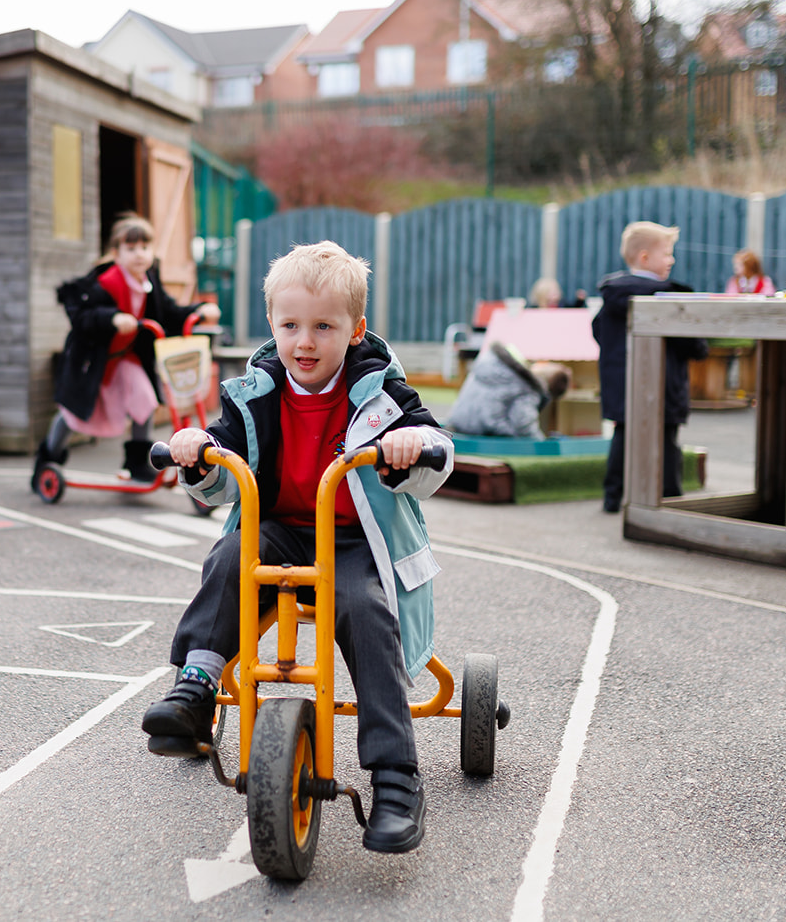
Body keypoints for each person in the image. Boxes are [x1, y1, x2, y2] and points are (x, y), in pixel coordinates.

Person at [140, 240, 453, 855]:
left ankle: (395, 778)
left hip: (356, 538)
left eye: (323, 327)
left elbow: (436, 445)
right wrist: (198, 451)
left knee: (366, 610)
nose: (304, 342)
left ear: (355, 330)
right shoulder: (253, 394)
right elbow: (223, 472)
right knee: (230, 557)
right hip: (278, 526)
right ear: (272, 327)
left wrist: (410, 447)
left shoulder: (379, 394)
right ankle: (196, 688)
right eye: (290, 326)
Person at [34, 215, 219, 486]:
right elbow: (84, 315)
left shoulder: (149, 282)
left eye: (144, 248)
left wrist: (198, 311)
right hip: (93, 361)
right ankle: (48, 458)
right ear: (116, 253)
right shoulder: (106, 282)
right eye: (130, 249)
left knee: (145, 398)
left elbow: (168, 312)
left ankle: (136, 463)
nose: (139, 255)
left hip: (123, 358)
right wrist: (112, 318)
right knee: (72, 413)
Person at [593, 221, 708, 513]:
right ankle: (670, 498)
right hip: (663, 384)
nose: (672, 260)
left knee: (623, 434)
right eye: (667, 253)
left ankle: (612, 497)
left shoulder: (613, 296)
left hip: (624, 384)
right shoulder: (669, 299)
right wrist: (699, 348)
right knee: (667, 442)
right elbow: (691, 342)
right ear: (645, 257)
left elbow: (597, 330)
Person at [446, 342, 572, 439]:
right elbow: (523, 423)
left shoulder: (492, 361)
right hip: (483, 435)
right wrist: (539, 441)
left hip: (457, 424)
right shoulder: (528, 388)